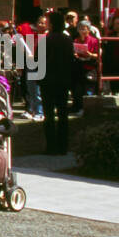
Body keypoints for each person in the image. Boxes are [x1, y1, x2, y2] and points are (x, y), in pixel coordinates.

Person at [41, 11, 74, 154]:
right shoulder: (68, 40)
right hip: (63, 80)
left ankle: (51, 146)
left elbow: (39, 60)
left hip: (48, 80)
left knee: (49, 115)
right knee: (63, 113)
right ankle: (63, 146)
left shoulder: (47, 40)